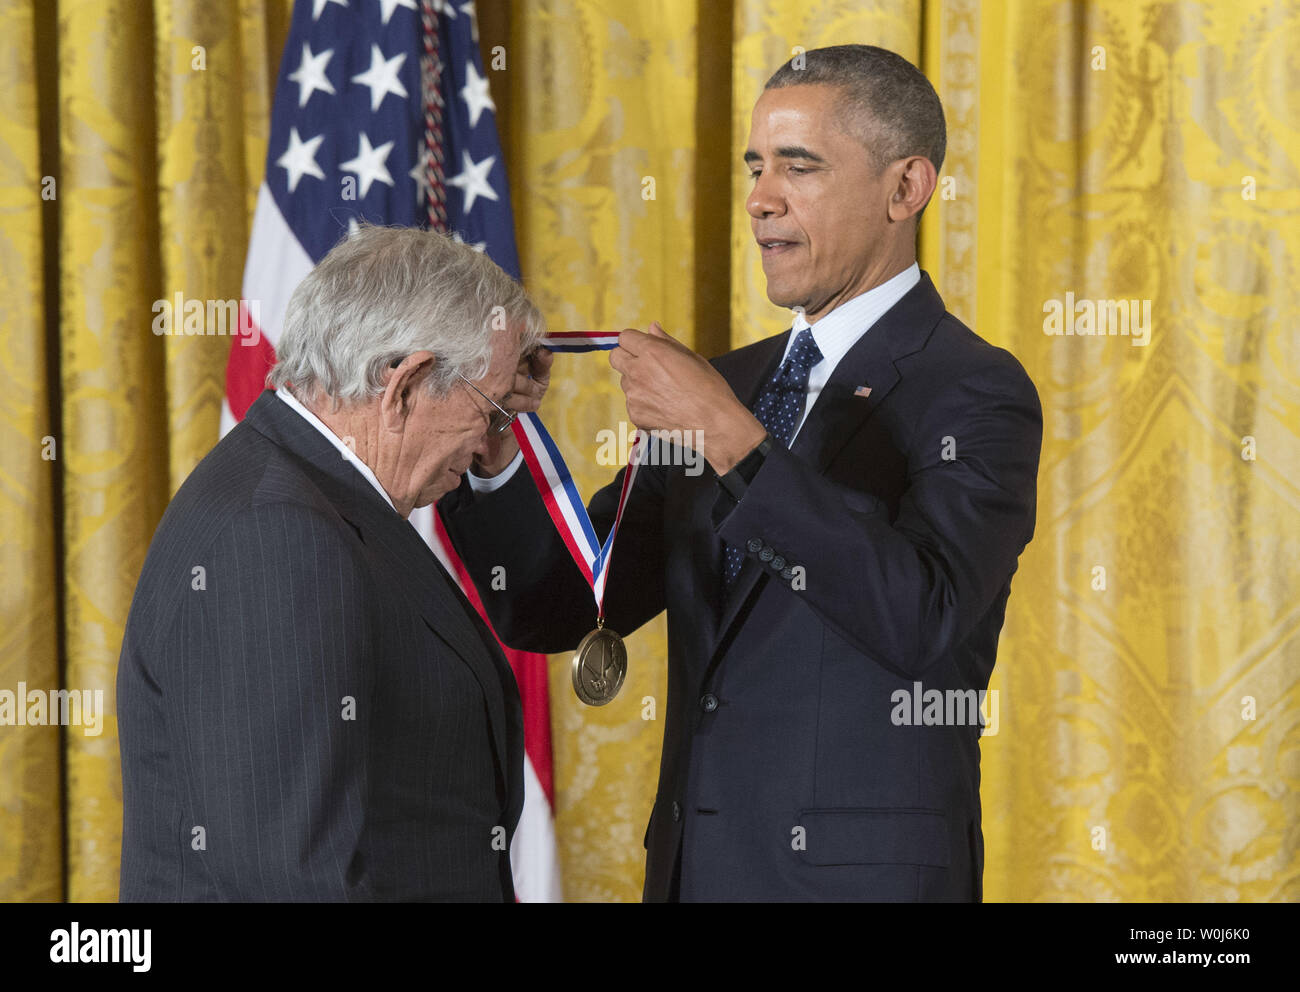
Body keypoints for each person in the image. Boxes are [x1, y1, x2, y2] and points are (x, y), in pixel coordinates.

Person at [442, 44, 1042, 901]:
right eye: (758, 167)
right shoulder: (729, 381)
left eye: (800, 167)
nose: (760, 200)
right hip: (694, 875)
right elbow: (558, 605)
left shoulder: (976, 389)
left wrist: (730, 437)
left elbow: (922, 616)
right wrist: (499, 449)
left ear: (905, 189)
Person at [117, 226, 544, 901]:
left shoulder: (321, 496)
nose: (494, 438)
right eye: (491, 411)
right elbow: (285, 879)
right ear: (406, 386)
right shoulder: (278, 533)